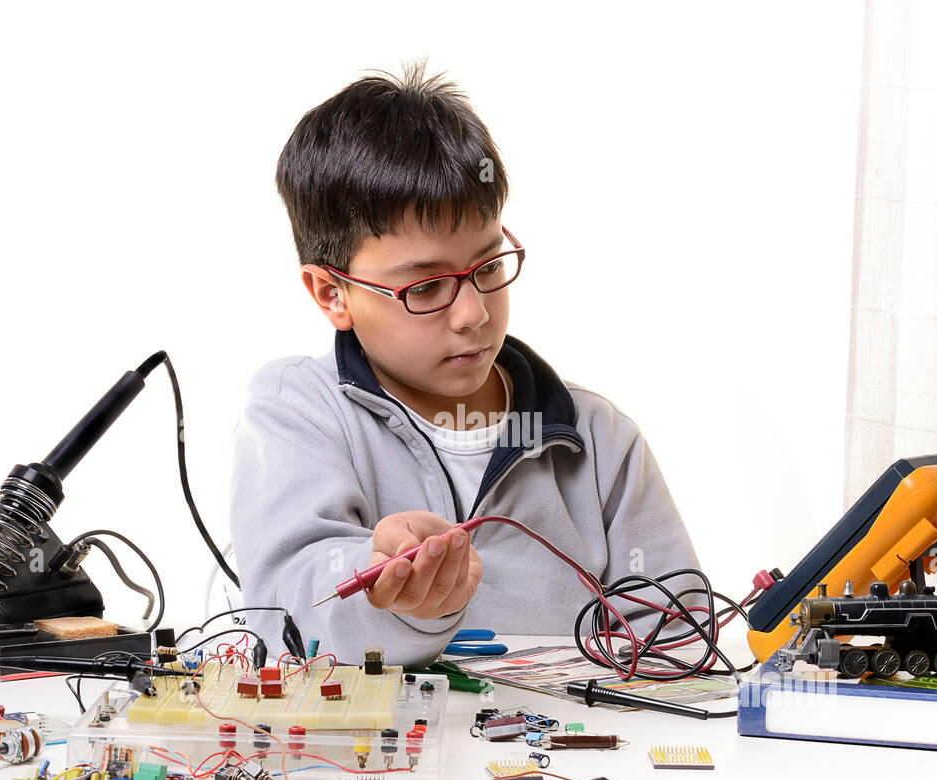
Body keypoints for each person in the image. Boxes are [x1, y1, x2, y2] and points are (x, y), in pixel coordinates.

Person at [230, 63, 699, 666]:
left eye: (486, 267)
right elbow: (287, 616)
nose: (473, 314)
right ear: (331, 294)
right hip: (381, 759)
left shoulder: (599, 438)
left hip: (564, 756)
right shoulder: (296, 410)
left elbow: (679, 644)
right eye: (425, 288)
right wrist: (388, 590)